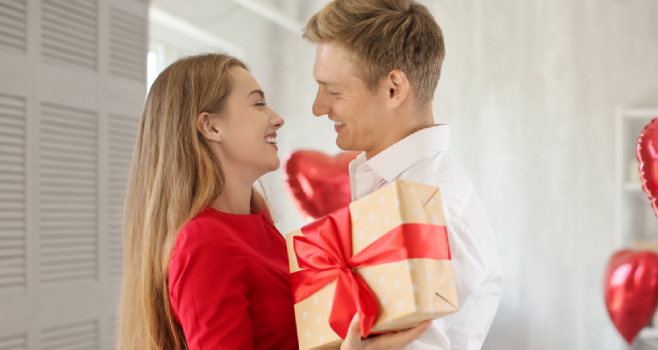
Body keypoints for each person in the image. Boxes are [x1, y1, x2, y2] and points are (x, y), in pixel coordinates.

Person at [116, 53, 430, 350]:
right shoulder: (203, 242)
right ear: (211, 127)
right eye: (258, 104)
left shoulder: (258, 221)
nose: (277, 118)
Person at [304, 1, 505, 349]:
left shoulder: (431, 213)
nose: (318, 107)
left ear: (394, 88)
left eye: (333, 90)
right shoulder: (393, 189)